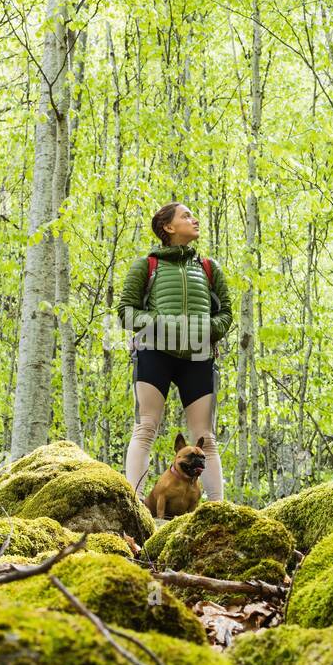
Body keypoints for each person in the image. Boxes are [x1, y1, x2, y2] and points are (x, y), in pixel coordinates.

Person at [116, 202, 234, 503]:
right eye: (186, 216)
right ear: (168, 227)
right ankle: (135, 506)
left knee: (205, 436)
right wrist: (161, 323)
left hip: (198, 355)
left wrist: (206, 329)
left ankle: (216, 509)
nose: (194, 220)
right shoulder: (146, 265)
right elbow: (126, 312)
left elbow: (227, 314)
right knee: (145, 428)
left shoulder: (209, 268)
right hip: (154, 351)